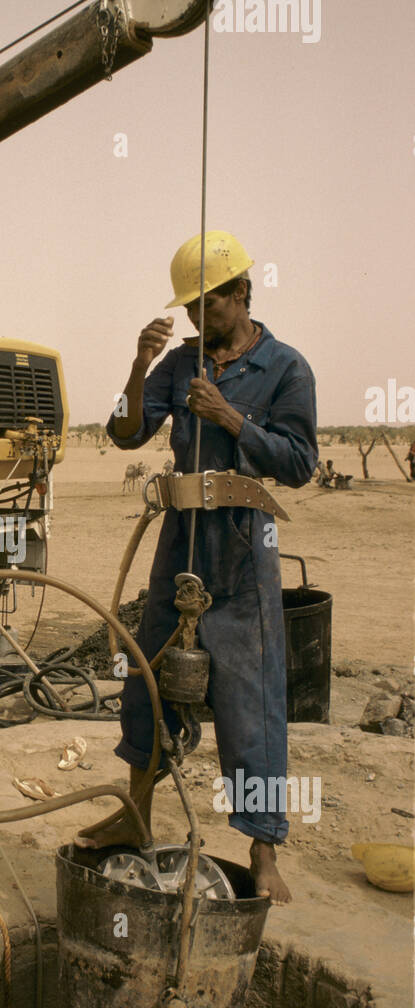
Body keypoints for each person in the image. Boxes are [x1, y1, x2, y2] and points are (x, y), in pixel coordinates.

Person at [77, 231, 318, 903]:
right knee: (147, 678)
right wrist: (137, 365)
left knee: (252, 696)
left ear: (242, 293)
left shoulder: (284, 367)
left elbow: (297, 464)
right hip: (180, 540)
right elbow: (124, 432)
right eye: (188, 308)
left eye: (208, 305)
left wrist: (230, 418)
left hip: (244, 548)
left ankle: (263, 850)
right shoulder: (178, 364)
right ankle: (134, 816)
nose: (196, 318)